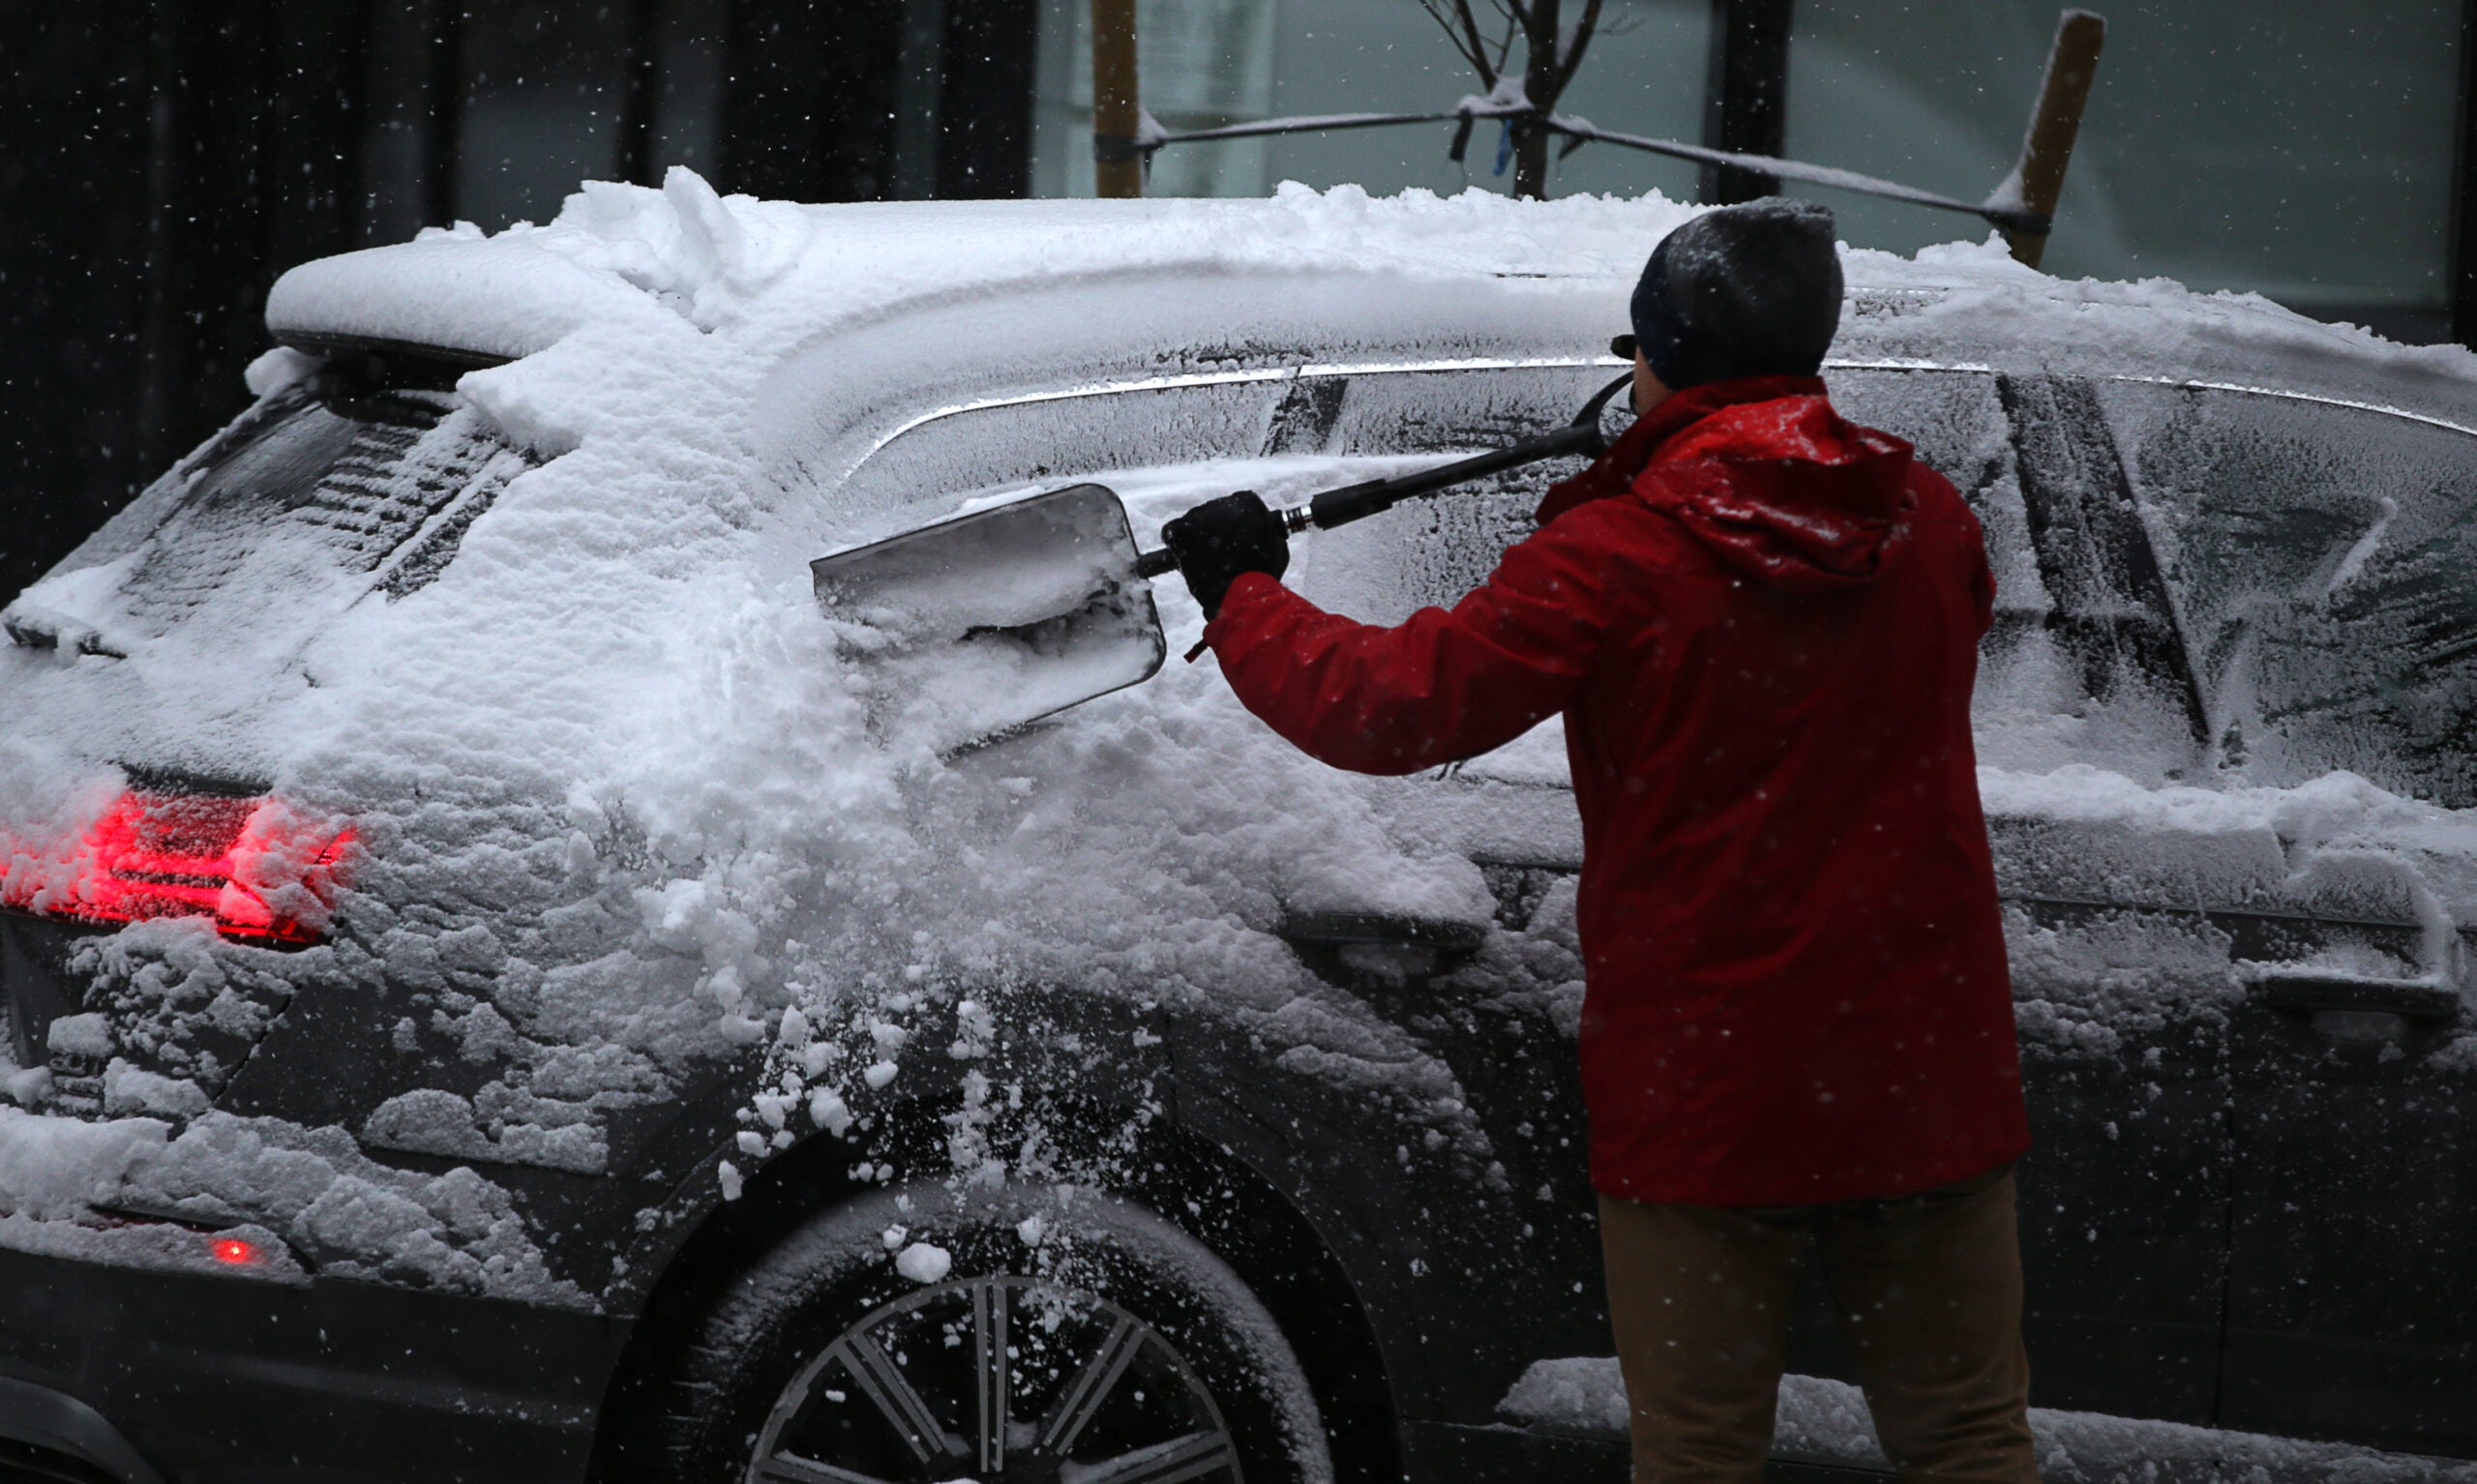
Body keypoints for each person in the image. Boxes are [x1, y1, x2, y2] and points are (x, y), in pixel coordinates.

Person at [1162, 198, 2037, 1483]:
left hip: (1711, 1078)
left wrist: (1242, 594)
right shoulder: (1928, 522)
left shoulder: (1622, 557)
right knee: (1967, 1439)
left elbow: (1397, 701)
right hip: (1921, 1058)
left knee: (1698, 1452)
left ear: (1666, 351)